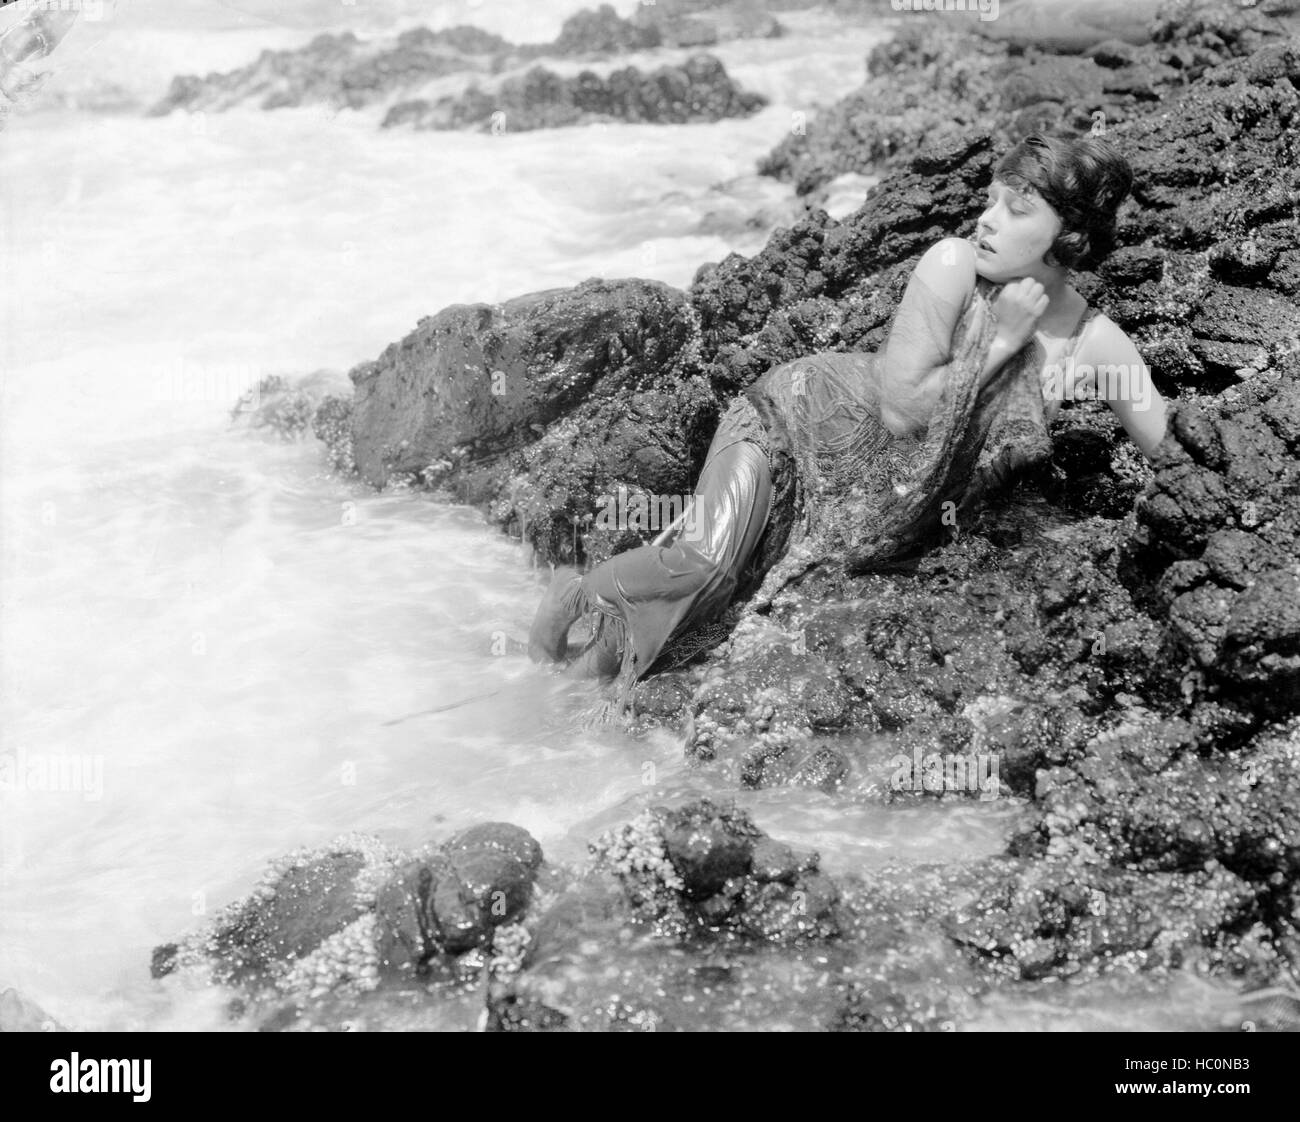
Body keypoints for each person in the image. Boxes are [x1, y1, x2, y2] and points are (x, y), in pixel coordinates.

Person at [529, 133, 1168, 713]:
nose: (988, 219)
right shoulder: (952, 265)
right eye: (992, 199)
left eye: (1018, 209)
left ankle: (540, 705)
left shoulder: (1092, 341)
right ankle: (573, 593)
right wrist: (999, 345)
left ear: (1071, 237)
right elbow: (901, 409)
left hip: (876, 505)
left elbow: (1171, 455)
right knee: (705, 566)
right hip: (791, 423)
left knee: (678, 638)